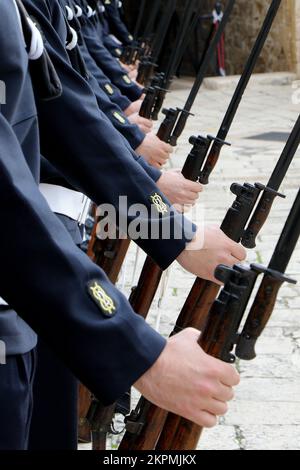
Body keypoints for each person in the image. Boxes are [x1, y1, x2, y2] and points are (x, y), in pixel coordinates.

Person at [0, 0, 244, 450]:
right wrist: (136, 353)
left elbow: (63, 99)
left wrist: (172, 229)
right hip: (34, 260)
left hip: (37, 270)